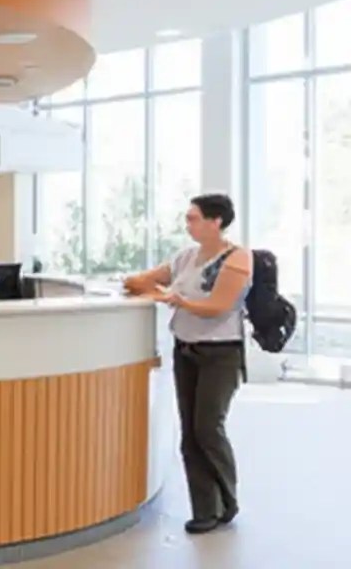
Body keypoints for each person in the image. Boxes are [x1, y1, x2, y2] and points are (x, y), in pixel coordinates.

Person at [123, 193, 253, 534]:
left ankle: (227, 499)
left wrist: (177, 299)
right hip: (186, 350)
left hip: (220, 353)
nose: (188, 224)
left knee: (208, 427)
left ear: (216, 222)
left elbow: (219, 306)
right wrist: (147, 286)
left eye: (194, 218)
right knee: (190, 434)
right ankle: (205, 510)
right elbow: (140, 281)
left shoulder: (237, 258)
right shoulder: (185, 257)